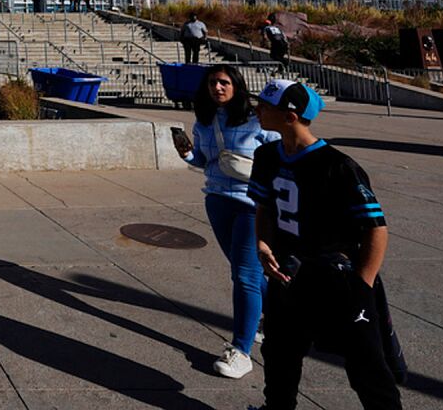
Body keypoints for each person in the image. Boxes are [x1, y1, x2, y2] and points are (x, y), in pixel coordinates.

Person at [248, 79, 403, 410]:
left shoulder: (338, 166)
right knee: (278, 356)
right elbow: (264, 208)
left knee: (366, 366)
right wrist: (263, 244)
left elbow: (376, 229)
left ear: (290, 116)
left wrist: (363, 284)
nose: (257, 109)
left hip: (336, 278)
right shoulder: (266, 156)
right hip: (287, 274)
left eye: (265, 106)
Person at [172, 65, 280, 378]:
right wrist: (187, 154)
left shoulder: (257, 121)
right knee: (246, 269)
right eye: (212, 83)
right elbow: (204, 162)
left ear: (237, 86)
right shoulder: (204, 122)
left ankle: (241, 351)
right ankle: (278, 315)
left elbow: (279, 155)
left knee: (244, 276)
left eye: (224, 82)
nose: (217, 88)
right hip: (217, 201)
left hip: (253, 206)